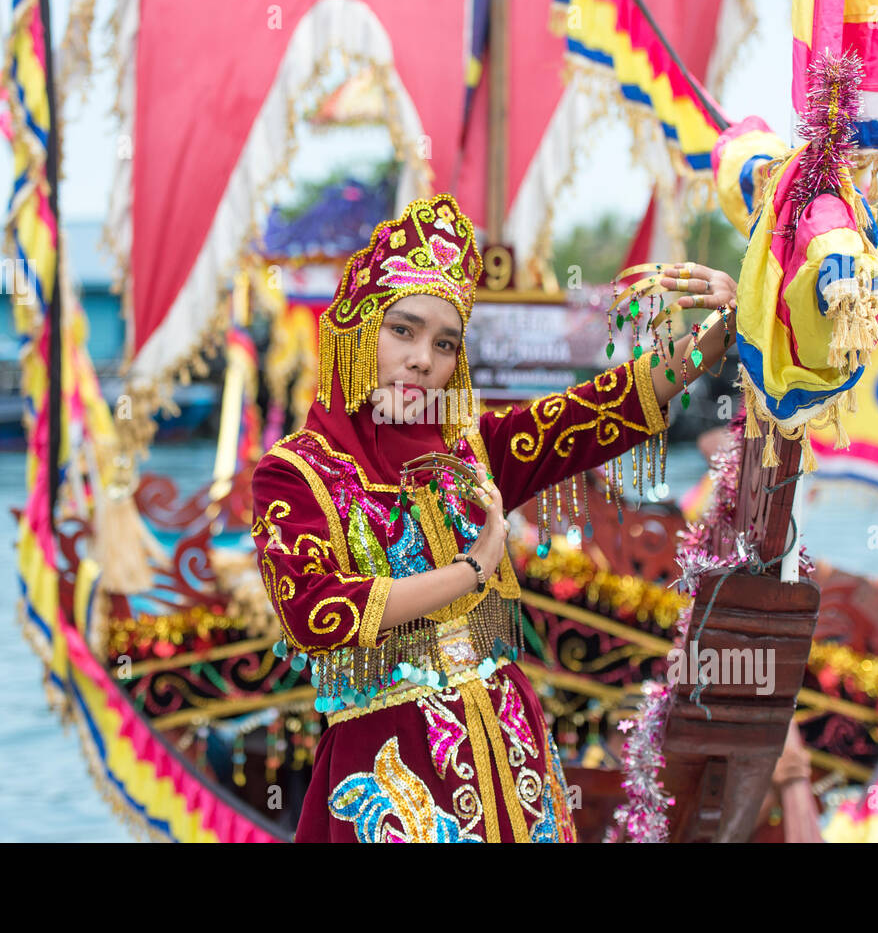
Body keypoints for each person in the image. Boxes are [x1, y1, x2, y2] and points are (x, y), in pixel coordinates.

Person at [249, 193, 737, 843]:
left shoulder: (475, 451)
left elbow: (606, 406)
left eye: (444, 343)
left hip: (513, 757)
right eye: (403, 331)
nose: (423, 359)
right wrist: (471, 570)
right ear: (358, 328)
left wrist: (724, 329)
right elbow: (316, 615)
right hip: (393, 773)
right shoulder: (295, 473)